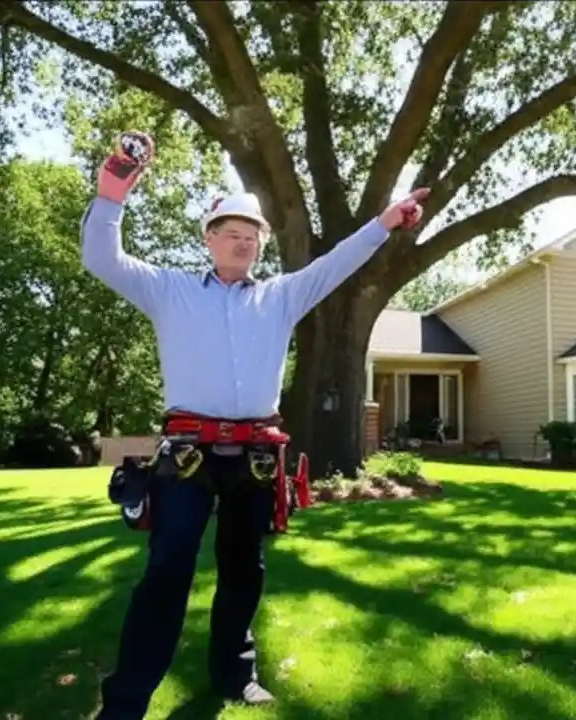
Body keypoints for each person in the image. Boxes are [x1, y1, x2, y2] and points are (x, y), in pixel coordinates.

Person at [81, 131, 428, 718]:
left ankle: (235, 676)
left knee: (246, 570)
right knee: (167, 572)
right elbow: (101, 259)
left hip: (255, 457)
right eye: (232, 234)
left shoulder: (281, 297)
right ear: (209, 239)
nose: (243, 244)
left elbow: (336, 264)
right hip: (187, 454)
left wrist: (384, 222)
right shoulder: (168, 291)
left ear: (260, 246)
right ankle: (127, 699)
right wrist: (112, 194)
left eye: (252, 237)